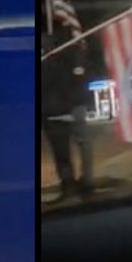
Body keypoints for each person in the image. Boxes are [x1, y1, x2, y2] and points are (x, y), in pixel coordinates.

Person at [41, 29, 93, 202]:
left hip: (61, 108)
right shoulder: (62, 57)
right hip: (60, 108)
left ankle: (73, 184)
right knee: (67, 148)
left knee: (64, 149)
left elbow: (75, 80)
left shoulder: (62, 58)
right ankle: (76, 183)